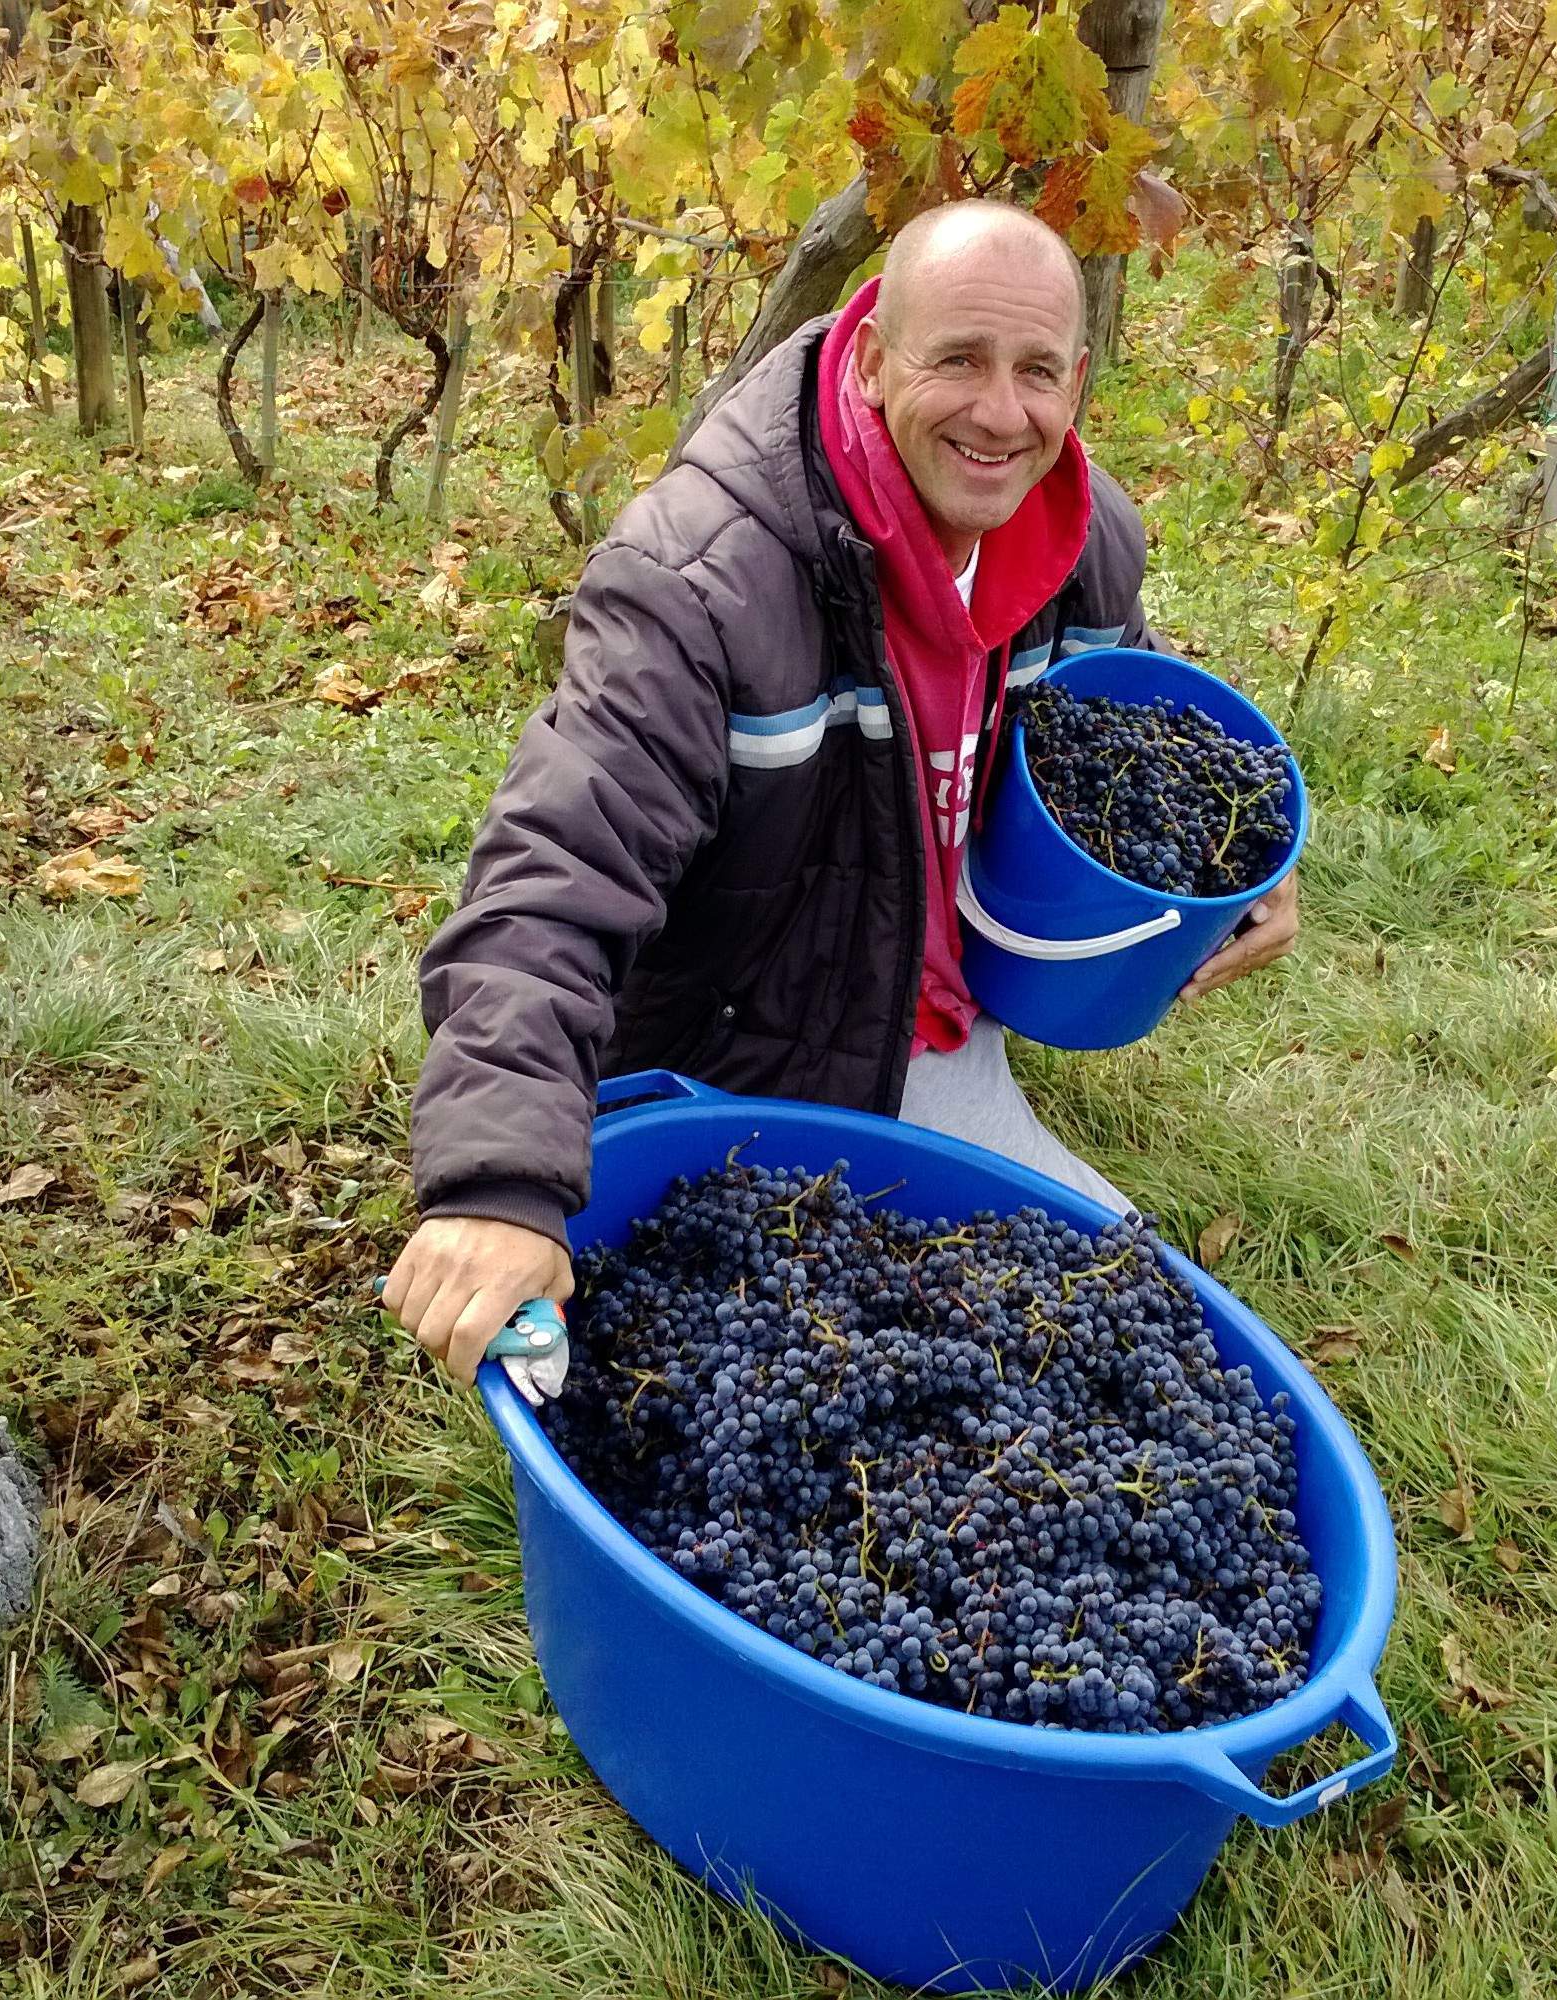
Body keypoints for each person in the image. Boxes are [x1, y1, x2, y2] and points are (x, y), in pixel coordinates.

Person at [384, 200, 1299, 1384]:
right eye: (956, 360)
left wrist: (1245, 873)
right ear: (870, 360)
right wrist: (498, 1182)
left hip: (927, 1029)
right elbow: (554, 874)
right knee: (768, 1390)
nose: (999, 411)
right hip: (729, 1056)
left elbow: (1145, 750)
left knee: (1122, 1351)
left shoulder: (1087, 545)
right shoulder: (701, 577)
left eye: (1035, 372)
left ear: (1076, 382)